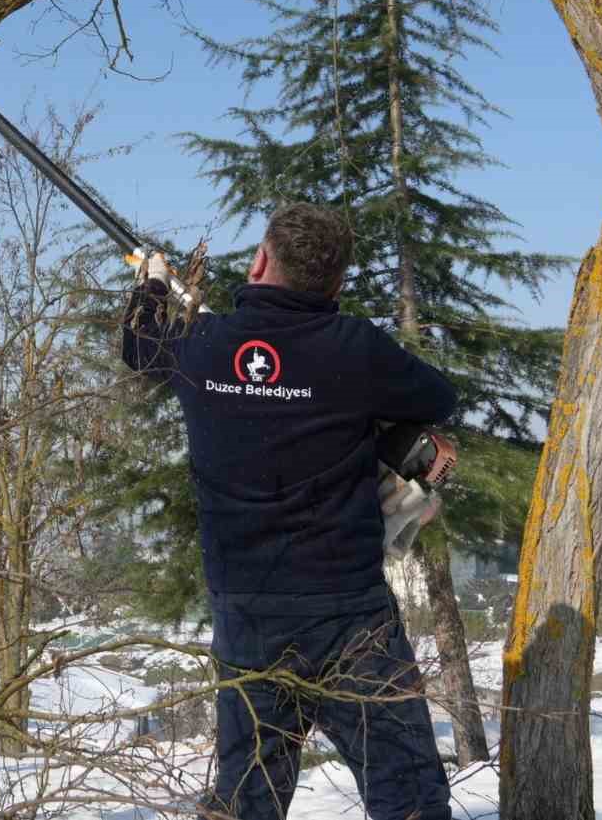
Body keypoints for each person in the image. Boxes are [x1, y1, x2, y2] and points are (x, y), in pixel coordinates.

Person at [122, 202, 457, 820]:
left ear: (259, 261)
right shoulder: (354, 348)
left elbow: (140, 349)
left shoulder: (204, 343)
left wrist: (151, 286)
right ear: (334, 283)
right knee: (408, 792)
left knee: (247, 796)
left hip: (247, 613)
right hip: (348, 613)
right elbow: (441, 397)